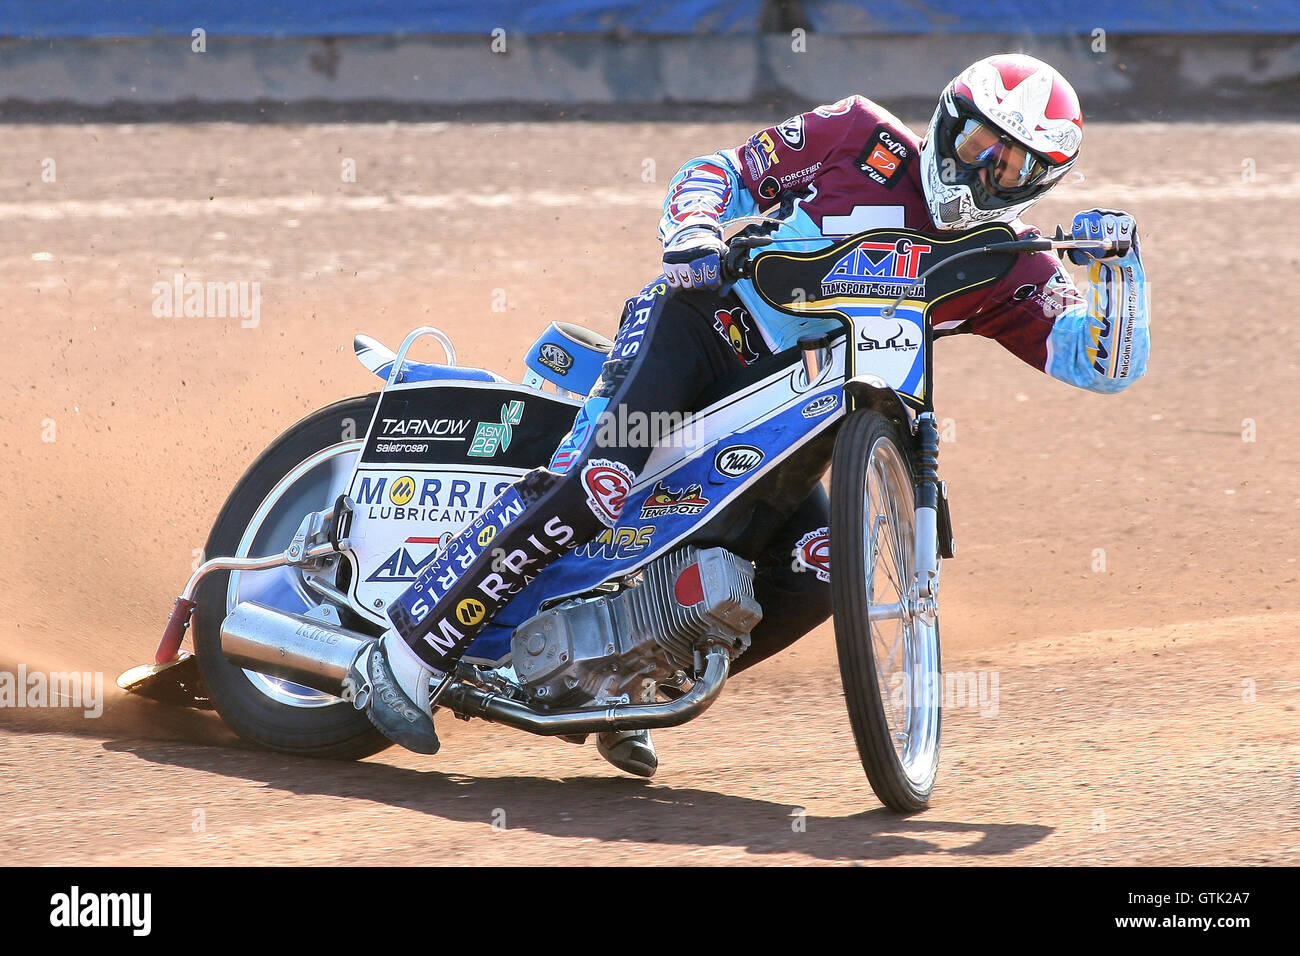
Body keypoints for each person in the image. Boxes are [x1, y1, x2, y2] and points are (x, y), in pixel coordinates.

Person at [343, 52, 1150, 775]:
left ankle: (634, 678)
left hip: (794, 419)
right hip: (701, 332)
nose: (986, 172)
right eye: (980, 144)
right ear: (948, 121)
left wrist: (1122, 272)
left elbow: (1101, 362)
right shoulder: (859, 134)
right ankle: (406, 654)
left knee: (822, 569)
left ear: (1040, 185)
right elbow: (717, 169)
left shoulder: (1007, 265)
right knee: (594, 482)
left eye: (1013, 169)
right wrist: (693, 228)